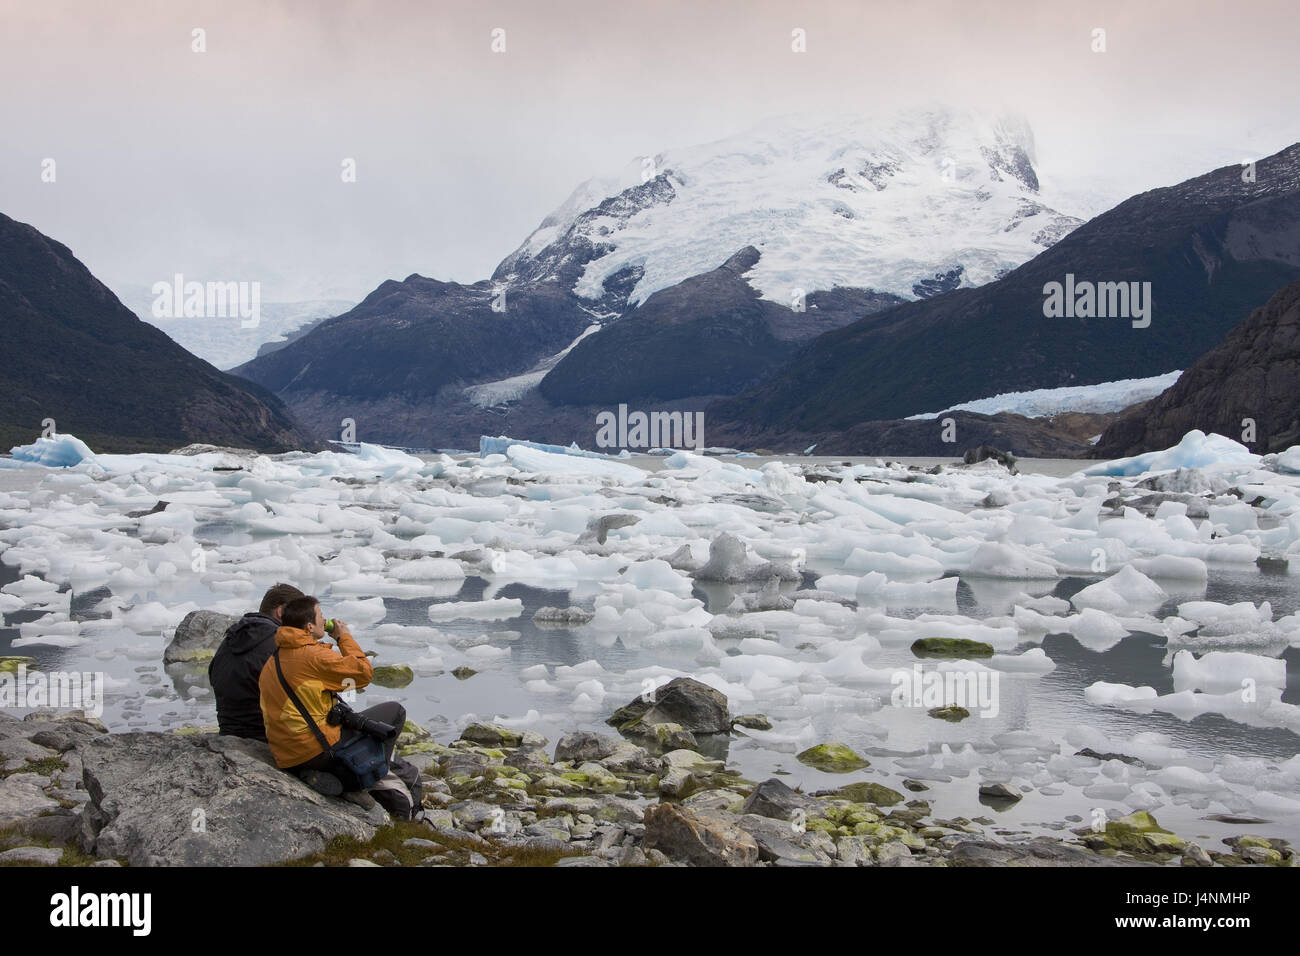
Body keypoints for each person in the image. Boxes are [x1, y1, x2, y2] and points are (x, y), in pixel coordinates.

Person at [257, 595, 409, 802]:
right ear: (310, 626)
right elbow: (362, 674)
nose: (325, 620)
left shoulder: (273, 660)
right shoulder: (313, 657)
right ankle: (364, 779)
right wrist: (342, 637)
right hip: (317, 750)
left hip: (287, 755)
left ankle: (315, 773)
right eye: (321, 616)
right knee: (395, 712)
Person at [209, 582, 305, 740]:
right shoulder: (280, 642)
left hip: (228, 730)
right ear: (281, 612)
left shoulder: (232, 638)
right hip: (267, 736)